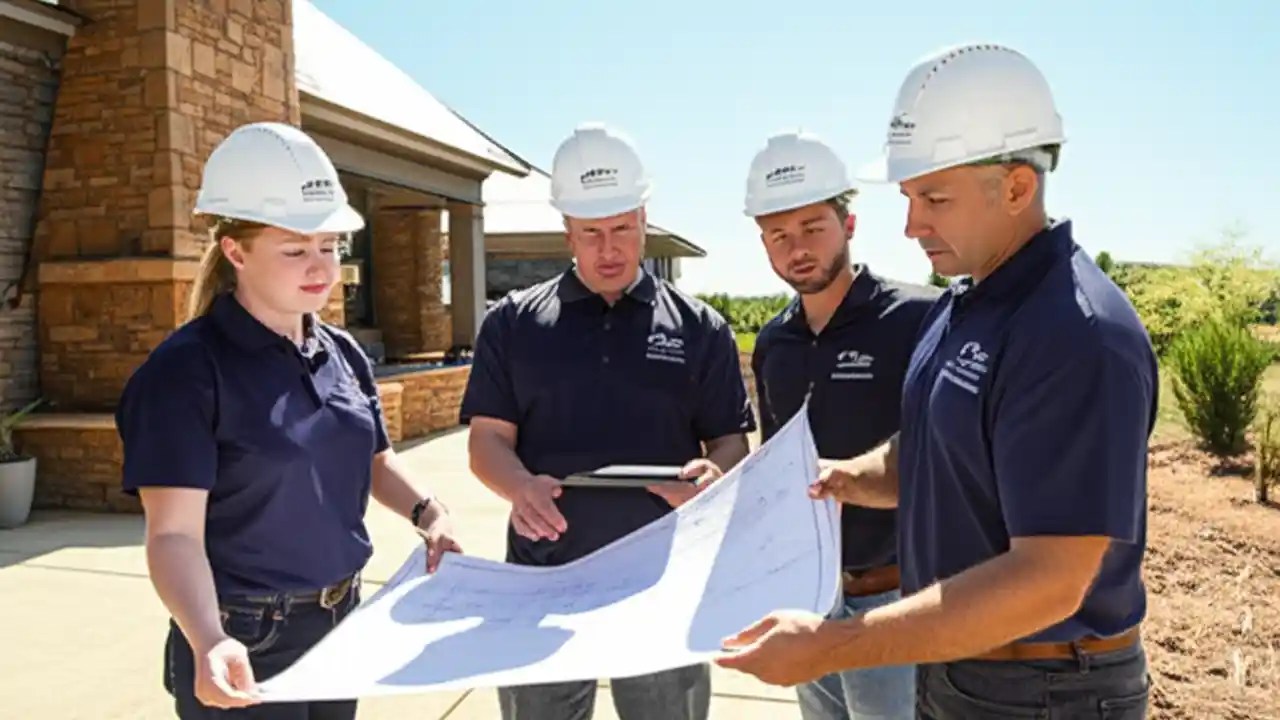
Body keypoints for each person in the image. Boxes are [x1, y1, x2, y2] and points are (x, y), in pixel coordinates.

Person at [716, 43, 1157, 720]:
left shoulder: (1073, 332)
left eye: (934, 198)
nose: (911, 224)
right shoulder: (967, 304)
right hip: (964, 668)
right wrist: (844, 476)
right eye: (908, 196)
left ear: (1016, 187)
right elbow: (928, 449)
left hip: (1048, 692)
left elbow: (1050, 581)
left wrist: (835, 645)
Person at [116, 121, 463, 719]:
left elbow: (375, 459)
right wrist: (207, 637)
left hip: (341, 622)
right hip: (243, 637)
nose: (321, 269)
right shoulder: (186, 373)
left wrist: (431, 517)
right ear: (235, 251)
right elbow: (172, 535)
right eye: (296, 249)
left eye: (329, 247)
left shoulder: (341, 351)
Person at [460, 123, 756, 720]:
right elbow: (487, 440)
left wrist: (710, 475)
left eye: (623, 227)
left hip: (662, 583)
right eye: (592, 233)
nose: (610, 248)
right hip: (541, 582)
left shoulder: (701, 329)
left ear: (645, 217)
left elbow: (730, 440)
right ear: (566, 227)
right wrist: (519, 486)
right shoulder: (513, 323)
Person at [743, 130, 939, 720]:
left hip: (896, 601)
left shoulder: (921, 317)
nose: (796, 247)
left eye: (812, 228)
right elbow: (777, 464)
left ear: (848, 225)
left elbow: (947, 457)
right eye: (779, 235)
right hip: (809, 599)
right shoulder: (775, 342)